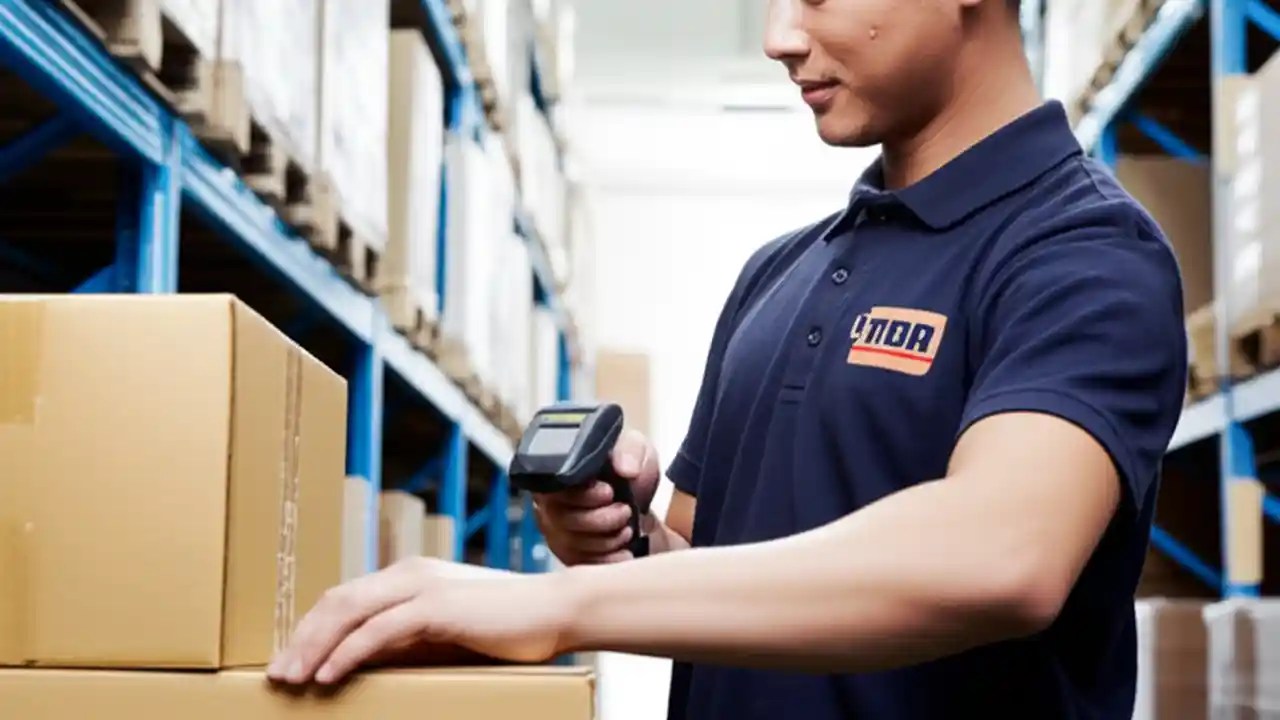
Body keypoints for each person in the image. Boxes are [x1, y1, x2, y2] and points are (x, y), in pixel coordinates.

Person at [266, 0, 1188, 717]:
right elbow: (723, 572)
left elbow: (1002, 556)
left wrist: (550, 612)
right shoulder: (779, 273)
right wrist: (625, 544)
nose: (778, 36)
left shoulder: (1085, 254)